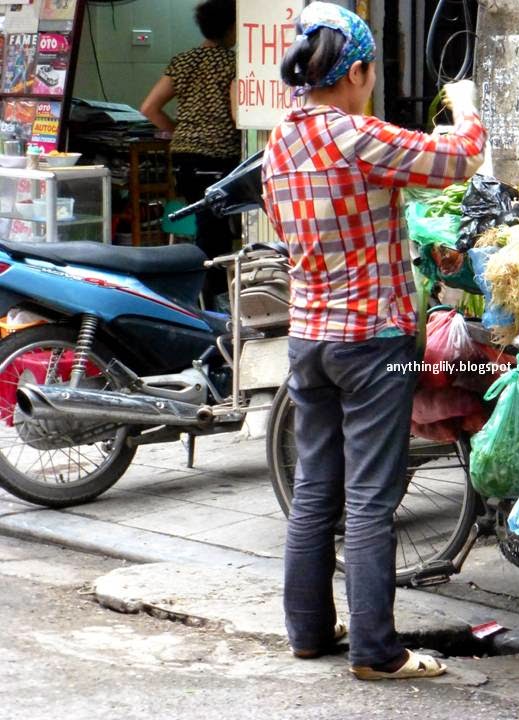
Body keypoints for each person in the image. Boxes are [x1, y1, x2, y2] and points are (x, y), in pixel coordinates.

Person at [261, 3, 486, 681]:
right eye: (370, 74)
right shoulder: (355, 135)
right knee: (369, 500)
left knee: (316, 493)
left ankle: (307, 632)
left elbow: (284, 224)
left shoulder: (279, 142)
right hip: (372, 342)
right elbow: (459, 159)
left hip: (309, 337)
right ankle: (377, 652)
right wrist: (466, 105)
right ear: (356, 71)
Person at [141, 0, 240, 308]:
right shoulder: (233, 64)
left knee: (205, 227)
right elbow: (239, 117)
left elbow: (149, 108)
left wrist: (180, 131)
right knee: (217, 233)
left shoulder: (184, 61)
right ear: (231, 28)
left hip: (183, 158)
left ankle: (203, 295)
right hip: (218, 157)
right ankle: (213, 301)